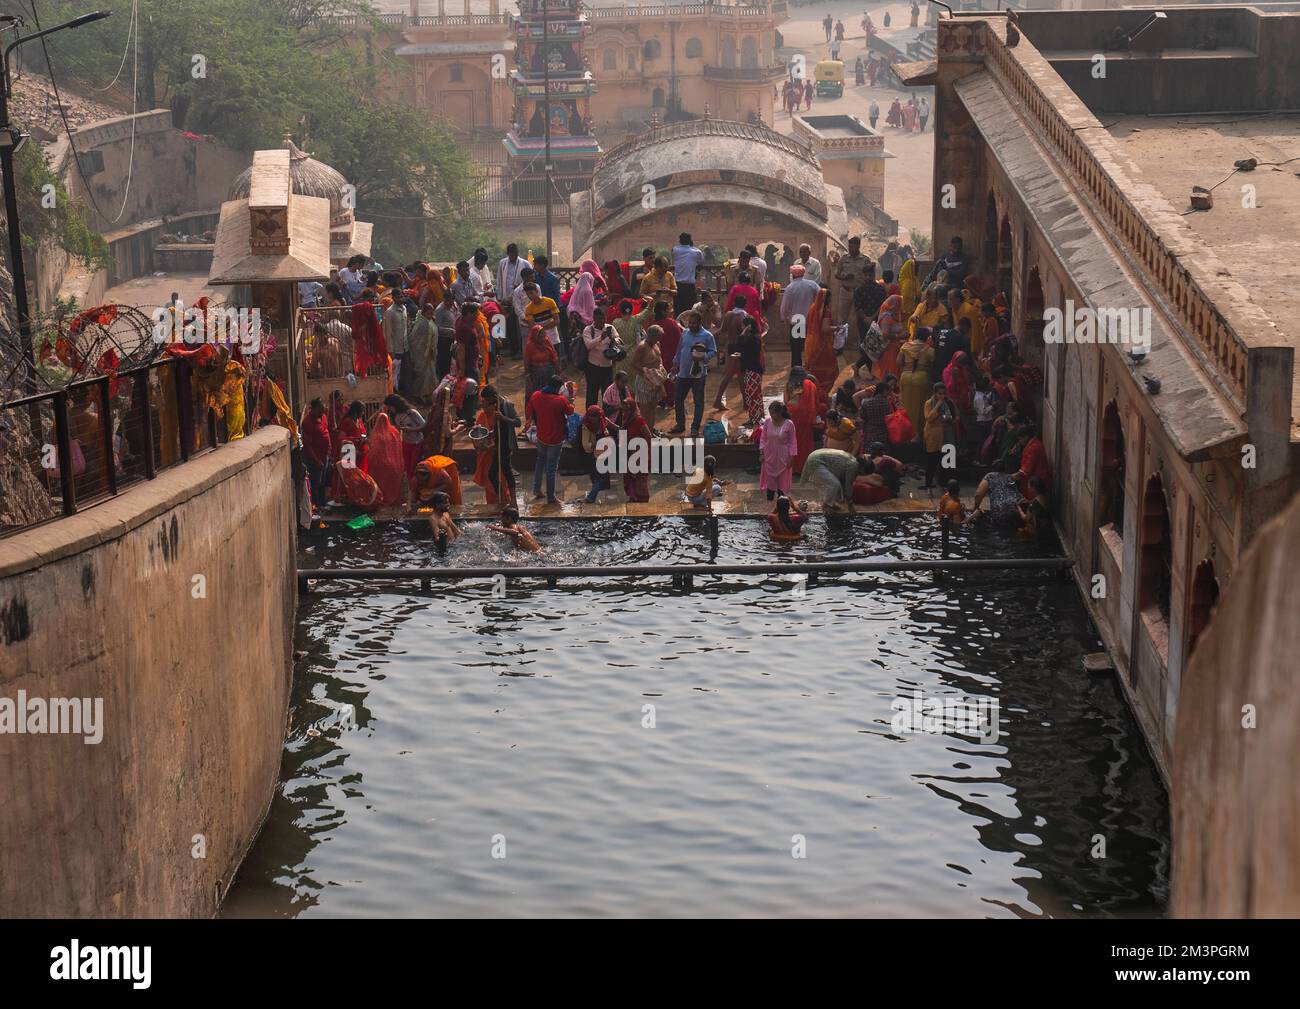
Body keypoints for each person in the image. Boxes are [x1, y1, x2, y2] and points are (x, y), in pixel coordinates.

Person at [527, 375, 574, 504]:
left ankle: (536, 489)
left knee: (540, 462)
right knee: (551, 468)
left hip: (541, 436)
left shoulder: (536, 395)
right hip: (555, 438)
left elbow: (529, 410)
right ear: (558, 387)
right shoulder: (560, 400)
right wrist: (570, 396)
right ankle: (551, 497)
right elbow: (570, 412)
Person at [670, 310, 717, 436]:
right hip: (683, 373)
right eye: (689, 323)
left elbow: (713, 351)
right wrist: (675, 364)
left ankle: (695, 427)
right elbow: (679, 349)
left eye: (694, 323)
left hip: (698, 374)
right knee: (678, 399)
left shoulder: (707, 336)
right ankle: (680, 424)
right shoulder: (685, 333)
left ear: (699, 323)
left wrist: (703, 357)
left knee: (698, 402)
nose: (691, 325)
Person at [801, 448, 869, 512]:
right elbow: (848, 486)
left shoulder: (854, 461)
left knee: (836, 484)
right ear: (862, 469)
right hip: (816, 460)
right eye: (865, 474)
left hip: (816, 455)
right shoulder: (854, 466)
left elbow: (843, 483)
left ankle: (831, 504)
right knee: (834, 484)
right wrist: (850, 505)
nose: (863, 475)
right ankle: (826, 506)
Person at [897, 327, 934, 442]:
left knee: (906, 406)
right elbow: (933, 366)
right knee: (919, 408)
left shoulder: (905, 346)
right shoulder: (929, 350)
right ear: (927, 337)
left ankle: (906, 431)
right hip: (921, 379)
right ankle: (918, 435)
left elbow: (898, 362)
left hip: (905, 377)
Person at [755, 400, 797, 500]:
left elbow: (793, 442)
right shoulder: (767, 422)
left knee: (782, 487)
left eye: (773, 413)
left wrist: (792, 457)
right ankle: (769, 504)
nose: (772, 416)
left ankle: (781, 507)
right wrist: (761, 452)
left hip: (784, 458)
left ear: (780, 413)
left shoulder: (789, 424)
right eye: (770, 414)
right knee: (770, 484)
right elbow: (763, 438)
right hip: (769, 457)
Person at [782, 263, 820, 369]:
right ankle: (811, 367)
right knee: (810, 346)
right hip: (810, 320)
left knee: (796, 348)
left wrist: (784, 318)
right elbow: (822, 295)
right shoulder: (812, 284)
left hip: (796, 321)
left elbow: (785, 306)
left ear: (792, 275)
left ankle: (797, 369)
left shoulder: (790, 288)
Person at [581, 307, 620, 408]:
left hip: (607, 368)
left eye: (603, 318)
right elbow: (588, 345)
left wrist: (613, 339)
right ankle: (590, 418)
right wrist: (601, 337)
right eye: (599, 319)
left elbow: (618, 341)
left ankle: (607, 418)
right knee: (591, 396)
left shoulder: (610, 328)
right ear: (594, 318)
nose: (602, 321)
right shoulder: (588, 330)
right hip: (593, 368)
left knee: (608, 396)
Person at [367, 410, 406, 508]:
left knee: (380, 482)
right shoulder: (394, 432)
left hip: (380, 465)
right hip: (394, 465)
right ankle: (393, 499)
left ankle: (381, 498)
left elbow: (373, 450)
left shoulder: (376, 434)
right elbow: (399, 446)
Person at [785, 367, 819, 476]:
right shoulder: (810, 384)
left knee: (792, 441)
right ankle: (803, 468)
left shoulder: (789, 384)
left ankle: (793, 468)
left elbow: (786, 401)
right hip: (806, 416)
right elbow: (815, 401)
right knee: (805, 442)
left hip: (792, 413)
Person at [922, 382, 957, 488]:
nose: (942, 396)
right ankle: (928, 483)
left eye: (943, 394)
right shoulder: (929, 403)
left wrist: (946, 419)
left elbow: (952, 418)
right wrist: (937, 406)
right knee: (931, 461)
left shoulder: (948, 403)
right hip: (932, 436)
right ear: (935, 394)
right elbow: (929, 418)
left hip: (945, 436)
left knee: (946, 462)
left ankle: (944, 483)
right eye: (939, 394)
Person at [384, 394, 426, 479]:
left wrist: (410, 429)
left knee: (414, 467)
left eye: (390, 407)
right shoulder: (395, 416)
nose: (389, 409)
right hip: (406, 443)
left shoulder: (412, 413)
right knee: (407, 467)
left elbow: (424, 426)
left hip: (417, 443)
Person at [735, 315, 766, 427]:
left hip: (752, 371)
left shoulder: (751, 339)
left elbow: (740, 342)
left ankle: (754, 418)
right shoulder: (755, 338)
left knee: (752, 396)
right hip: (753, 370)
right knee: (755, 395)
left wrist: (744, 330)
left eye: (743, 325)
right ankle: (758, 417)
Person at [301, 397, 331, 511]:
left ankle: (322, 504)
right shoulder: (307, 422)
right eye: (319, 410)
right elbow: (307, 445)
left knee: (323, 482)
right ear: (312, 409)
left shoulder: (322, 417)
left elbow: (326, 432)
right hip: (314, 459)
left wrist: (329, 451)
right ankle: (315, 507)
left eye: (322, 409)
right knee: (315, 483)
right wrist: (316, 460)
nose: (321, 412)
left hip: (325, 456)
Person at [579, 404, 613, 503]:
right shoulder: (586, 425)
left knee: (600, 476)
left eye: (595, 417)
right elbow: (586, 445)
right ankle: (591, 497)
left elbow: (608, 423)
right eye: (590, 416)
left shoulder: (602, 421)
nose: (592, 419)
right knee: (601, 477)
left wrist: (617, 428)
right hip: (593, 454)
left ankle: (591, 496)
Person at [621, 398, 653, 502]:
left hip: (640, 454)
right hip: (630, 453)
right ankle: (633, 498)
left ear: (632, 409)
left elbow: (648, 435)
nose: (625, 412)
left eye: (627, 410)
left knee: (640, 479)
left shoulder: (639, 420)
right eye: (624, 410)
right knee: (631, 477)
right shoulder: (626, 419)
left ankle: (643, 500)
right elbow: (623, 432)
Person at [524, 322, 560, 402]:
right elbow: (527, 363)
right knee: (537, 398)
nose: (542, 338)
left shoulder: (547, 342)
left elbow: (554, 357)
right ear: (534, 336)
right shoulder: (529, 346)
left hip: (549, 374)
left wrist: (559, 372)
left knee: (551, 396)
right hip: (536, 377)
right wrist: (528, 378)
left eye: (543, 336)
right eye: (539, 336)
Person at [671, 233, 704, 315]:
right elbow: (701, 262)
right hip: (689, 287)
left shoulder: (674, 250)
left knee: (678, 311)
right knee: (690, 311)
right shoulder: (697, 252)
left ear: (680, 241)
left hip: (677, 285)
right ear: (690, 241)